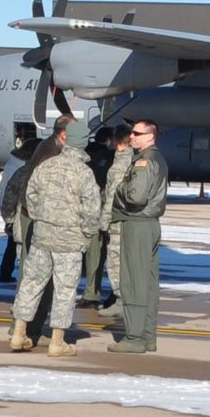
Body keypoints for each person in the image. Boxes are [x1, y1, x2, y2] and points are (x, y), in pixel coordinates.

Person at [10, 117, 101, 359]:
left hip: (43, 236)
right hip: (69, 241)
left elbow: (31, 195)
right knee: (65, 290)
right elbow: (92, 210)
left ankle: (19, 333)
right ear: (83, 143)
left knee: (31, 284)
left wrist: (43, 219)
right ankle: (57, 341)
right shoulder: (84, 173)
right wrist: (87, 233)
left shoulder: (46, 166)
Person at [107, 119, 167, 355]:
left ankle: (135, 336)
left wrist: (119, 189)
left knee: (134, 281)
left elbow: (135, 196)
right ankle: (148, 335)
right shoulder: (156, 159)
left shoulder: (143, 161)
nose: (131, 137)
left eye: (136, 133)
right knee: (148, 282)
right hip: (149, 223)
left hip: (137, 223)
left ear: (150, 136)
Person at [97, 124, 134, 316]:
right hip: (129, 221)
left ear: (116, 141)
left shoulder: (120, 164)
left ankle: (121, 301)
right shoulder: (134, 160)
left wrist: (104, 223)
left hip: (117, 222)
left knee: (115, 262)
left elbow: (112, 196)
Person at [79, 125, 116, 306]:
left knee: (91, 253)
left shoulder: (84, 155)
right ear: (108, 140)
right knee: (100, 253)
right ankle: (95, 293)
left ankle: (90, 291)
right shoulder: (109, 158)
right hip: (100, 207)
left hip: (83, 208)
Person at [0, 127, 38, 282]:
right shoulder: (27, 171)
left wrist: (9, 219)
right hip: (22, 215)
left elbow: (8, 193)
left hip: (15, 214)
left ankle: (5, 274)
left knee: (12, 246)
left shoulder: (14, 165)